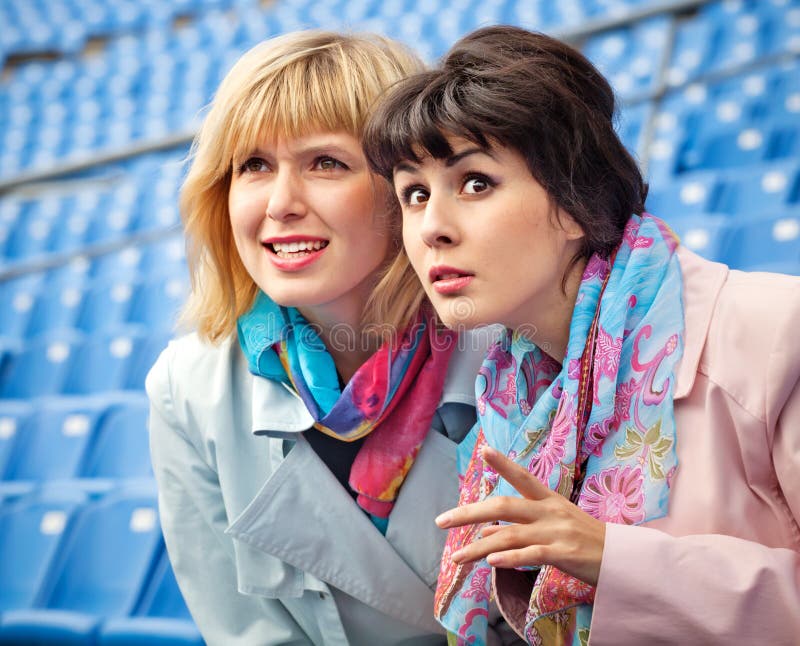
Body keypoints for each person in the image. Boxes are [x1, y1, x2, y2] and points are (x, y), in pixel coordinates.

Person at [363, 25, 800, 646]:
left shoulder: (775, 332)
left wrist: (612, 557)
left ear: (574, 198)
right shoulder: (507, 401)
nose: (432, 226)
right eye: (413, 194)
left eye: (476, 182)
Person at [146, 31, 498, 646]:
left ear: (407, 189)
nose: (280, 204)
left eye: (325, 163)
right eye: (253, 165)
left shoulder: (508, 342)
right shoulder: (186, 388)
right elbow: (243, 631)